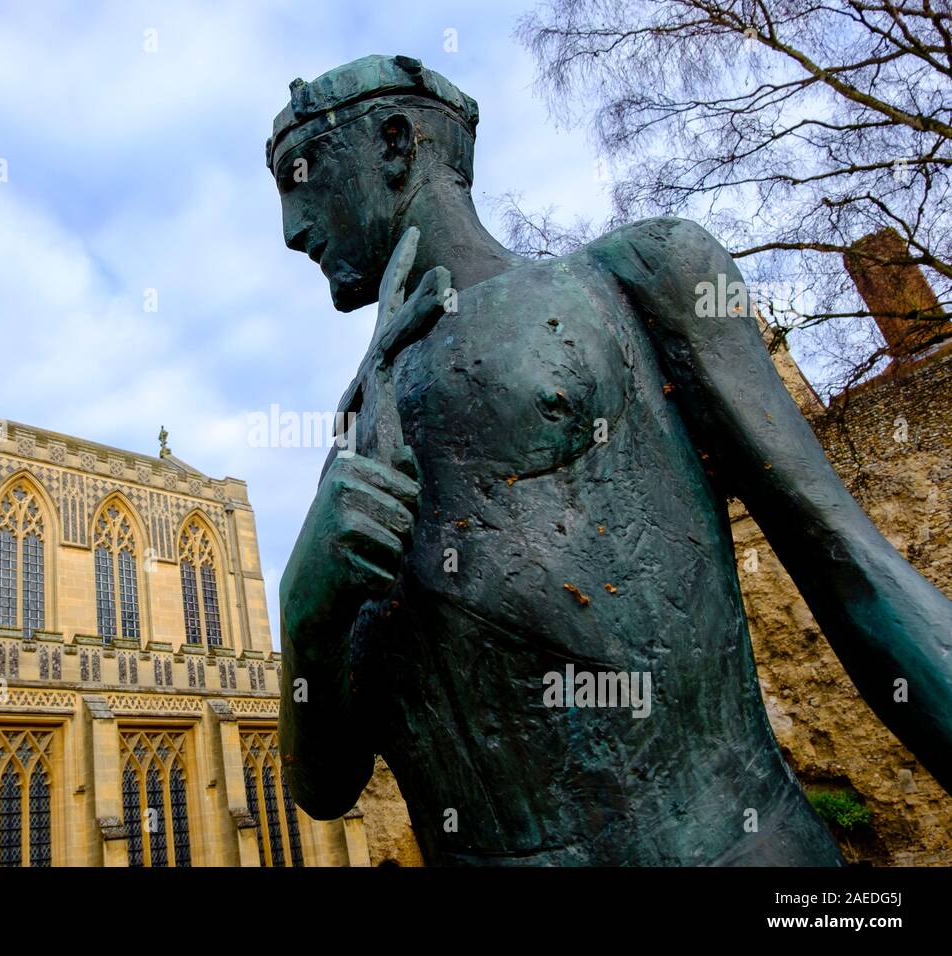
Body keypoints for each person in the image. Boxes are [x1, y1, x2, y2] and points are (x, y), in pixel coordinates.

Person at [267, 54, 952, 865]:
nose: (293, 230)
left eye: (299, 178)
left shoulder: (632, 275)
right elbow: (327, 786)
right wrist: (304, 613)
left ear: (392, 143)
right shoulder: (351, 440)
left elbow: (852, 568)